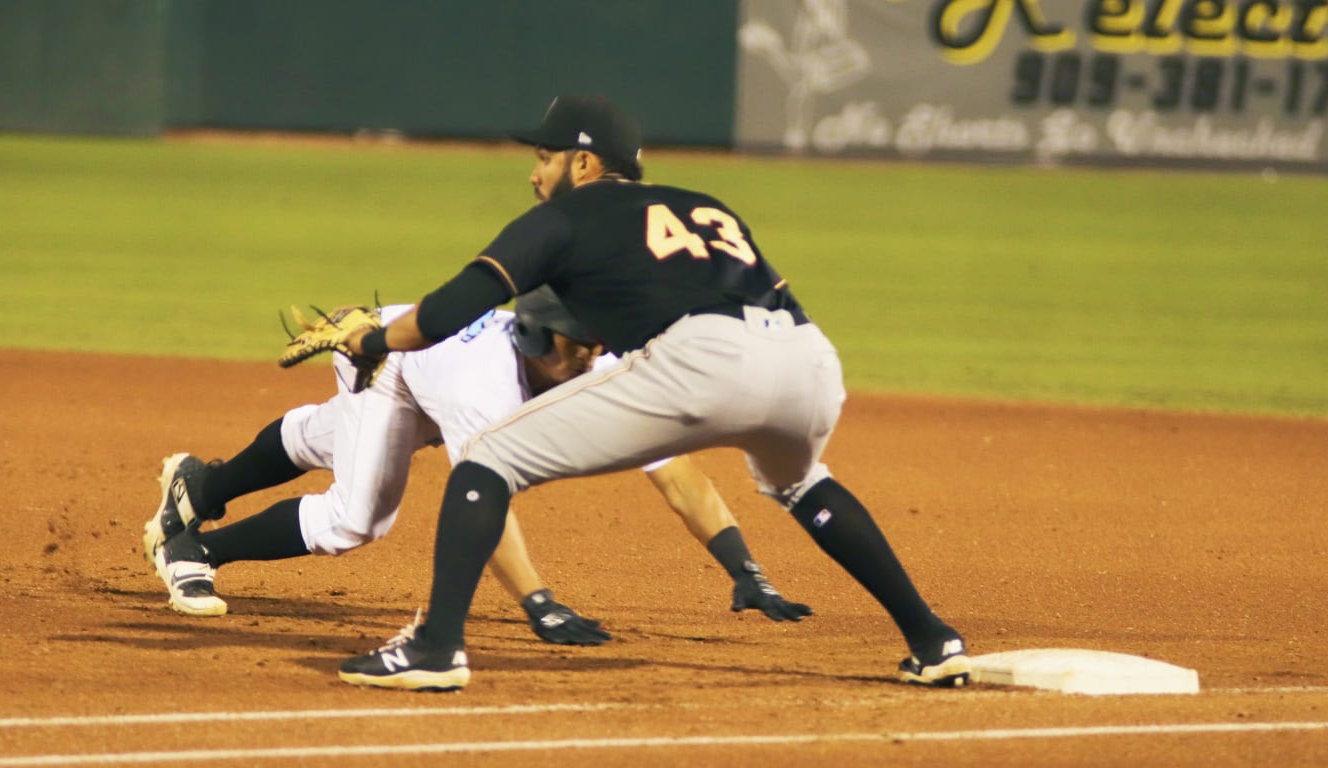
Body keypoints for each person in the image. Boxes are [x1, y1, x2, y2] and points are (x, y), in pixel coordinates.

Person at [336, 95, 969, 691]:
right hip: (807, 357)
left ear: (582, 162)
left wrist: (374, 342)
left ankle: (436, 647)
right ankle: (933, 639)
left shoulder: (562, 215)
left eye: (544, 157)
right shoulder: (704, 203)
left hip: (703, 358)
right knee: (803, 484)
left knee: (485, 459)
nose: (535, 174)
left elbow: (451, 308)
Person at [143, 287, 811, 645]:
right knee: (358, 517)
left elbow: (675, 471)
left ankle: (200, 485)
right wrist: (538, 604)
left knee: (329, 437)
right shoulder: (482, 387)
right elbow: (481, 502)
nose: (589, 355)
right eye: (575, 345)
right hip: (390, 355)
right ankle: (193, 547)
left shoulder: (598, 362)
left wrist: (743, 567)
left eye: (595, 344)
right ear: (533, 336)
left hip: (422, 359)